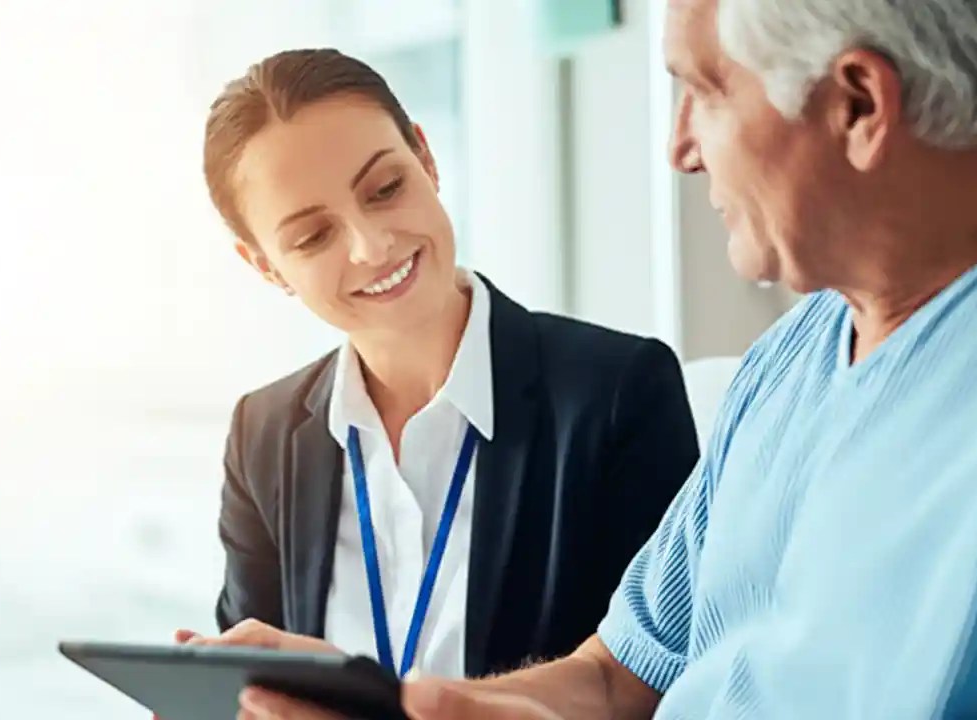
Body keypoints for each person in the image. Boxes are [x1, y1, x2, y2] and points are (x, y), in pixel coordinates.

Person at [208, 1, 977, 718]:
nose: (680, 149)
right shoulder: (791, 359)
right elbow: (614, 680)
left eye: (705, 91)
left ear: (859, 105)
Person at [187, 48, 700, 682]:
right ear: (265, 266)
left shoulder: (617, 393)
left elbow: (659, 684)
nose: (372, 246)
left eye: (385, 189)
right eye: (313, 237)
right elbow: (253, 687)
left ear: (426, 160)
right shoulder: (263, 434)